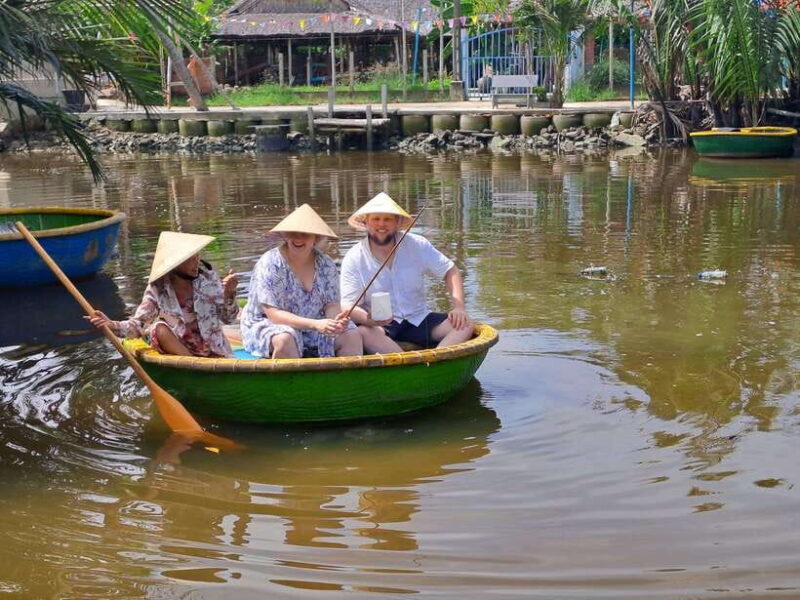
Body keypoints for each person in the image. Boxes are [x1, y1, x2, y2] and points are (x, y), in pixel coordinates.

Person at [340, 192, 473, 351]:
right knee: (363, 332)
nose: (381, 225)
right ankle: (408, 364)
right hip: (382, 324)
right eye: (376, 219)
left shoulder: (417, 244)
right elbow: (348, 305)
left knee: (465, 325)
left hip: (419, 318)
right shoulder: (354, 257)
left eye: (387, 219)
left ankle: (435, 360)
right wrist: (369, 320)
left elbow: (450, 270)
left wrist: (459, 307)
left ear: (397, 223)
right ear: (366, 222)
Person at [240, 204, 364, 359]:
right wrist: (315, 324)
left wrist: (334, 321)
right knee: (285, 339)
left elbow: (331, 305)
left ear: (315, 238)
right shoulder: (271, 263)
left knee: (352, 335)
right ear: (285, 235)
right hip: (272, 324)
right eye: (293, 233)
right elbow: (274, 315)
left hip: (316, 322)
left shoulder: (325, 263)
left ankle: (342, 381)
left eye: (305, 234)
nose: (298, 239)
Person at [86, 231, 239, 357]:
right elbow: (138, 324)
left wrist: (229, 294)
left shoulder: (208, 280)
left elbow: (229, 318)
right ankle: (193, 364)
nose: (196, 262)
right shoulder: (158, 288)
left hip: (215, 351)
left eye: (197, 256)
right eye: (190, 259)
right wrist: (112, 324)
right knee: (157, 328)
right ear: (175, 263)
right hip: (183, 353)